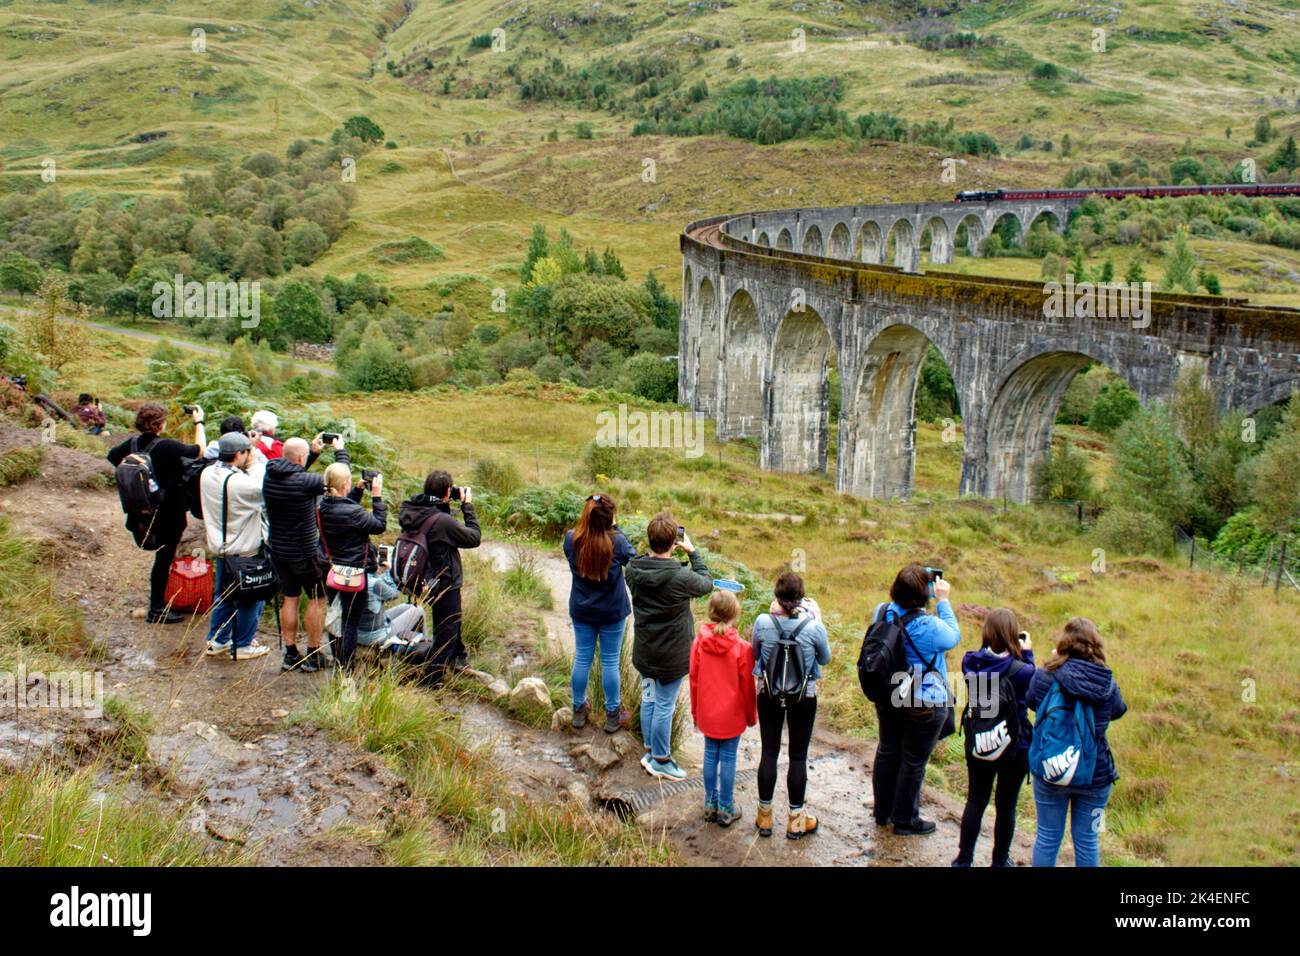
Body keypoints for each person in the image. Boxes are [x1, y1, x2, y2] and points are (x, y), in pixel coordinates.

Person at [1027, 617, 1127, 867]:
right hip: (1095, 775)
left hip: (1051, 768)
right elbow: (1119, 710)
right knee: (1088, 840)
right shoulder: (1106, 680)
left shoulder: (1045, 675)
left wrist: (1053, 663)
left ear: (1063, 643)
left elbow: (1031, 702)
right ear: (1094, 644)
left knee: (1047, 838)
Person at [870, 564, 961, 836]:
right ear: (925, 595)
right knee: (913, 761)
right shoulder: (931, 627)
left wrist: (917, 578)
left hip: (891, 693)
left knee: (887, 751)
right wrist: (943, 600)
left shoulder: (882, 611)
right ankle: (906, 820)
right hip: (924, 700)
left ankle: (883, 811)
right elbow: (954, 635)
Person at [625, 512, 712, 781]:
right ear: (674, 542)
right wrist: (693, 553)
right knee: (665, 705)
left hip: (645, 652)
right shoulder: (679, 577)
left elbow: (645, 562)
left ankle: (650, 751)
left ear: (649, 540)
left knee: (649, 699)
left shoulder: (633, 569)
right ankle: (661, 760)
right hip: (671, 656)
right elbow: (706, 583)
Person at [751, 571, 832, 839]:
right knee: (798, 756)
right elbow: (825, 659)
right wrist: (816, 619)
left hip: (769, 694)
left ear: (776, 596)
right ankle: (796, 821)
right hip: (803, 697)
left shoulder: (763, 621)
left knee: (769, 753)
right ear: (801, 599)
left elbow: (754, 653)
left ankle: (764, 818)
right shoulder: (813, 626)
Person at [107, 403, 206, 623]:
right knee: (163, 559)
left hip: (140, 511)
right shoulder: (168, 446)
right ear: (161, 423)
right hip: (168, 512)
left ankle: (157, 605)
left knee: (160, 557)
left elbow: (112, 457)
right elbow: (199, 451)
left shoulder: (131, 444)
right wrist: (199, 422)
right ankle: (157, 609)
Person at [953, 608, 1036, 866]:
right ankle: (1000, 861)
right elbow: (1032, 693)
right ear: (1013, 635)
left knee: (976, 799)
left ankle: (964, 859)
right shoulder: (1023, 669)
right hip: (1014, 744)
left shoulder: (970, 662)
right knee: (1006, 805)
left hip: (980, 741)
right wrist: (1028, 652)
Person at [263, 433, 346, 672]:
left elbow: (294, 473)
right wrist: (339, 451)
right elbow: (338, 479)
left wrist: (314, 454)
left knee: (290, 598)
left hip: (278, 550)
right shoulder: (305, 482)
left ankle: (290, 654)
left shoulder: (270, 475)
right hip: (305, 552)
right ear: (301, 458)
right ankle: (313, 652)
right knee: (318, 600)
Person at [395, 470, 482, 681]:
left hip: (425, 579)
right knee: (446, 633)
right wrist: (467, 506)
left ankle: (458, 656)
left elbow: (434, 526)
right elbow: (474, 537)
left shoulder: (412, 511)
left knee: (449, 621)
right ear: (446, 492)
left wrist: (443, 503)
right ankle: (431, 680)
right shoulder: (442, 521)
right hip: (444, 581)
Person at [562, 493, 634, 733]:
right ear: (611, 518)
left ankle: (578, 710)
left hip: (582, 609)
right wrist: (616, 527)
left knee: (582, 658)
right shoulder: (619, 542)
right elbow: (631, 558)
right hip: (612, 611)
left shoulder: (571, 539)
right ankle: (612, 714)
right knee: (610, 661)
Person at [199, 432, 270, 660]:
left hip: (221, 548)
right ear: (240, 454)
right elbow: (262, 489)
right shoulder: (240, 483)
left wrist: (249, 451)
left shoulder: (207, 473)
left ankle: (218, 640)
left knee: (224, 596)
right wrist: (256, 460)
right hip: (244, 550)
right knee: (251, 598)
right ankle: (243, 644)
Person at [690, 589, 757, 827]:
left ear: (710, 612)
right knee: (728, 758)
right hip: (733, 714)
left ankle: (710, 804)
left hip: (707, 711)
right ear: (734, 615)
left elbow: (694, 679)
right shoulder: (742, 648)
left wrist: (695, 711)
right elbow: (748, 686)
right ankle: (726, 807)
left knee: (710, 755)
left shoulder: (698, 642)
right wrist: (751, 715)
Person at [317, 462, 386, 671]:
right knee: (349, 623)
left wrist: (357, 490)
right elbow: (378, 524)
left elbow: (343, 509)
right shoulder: (353, 512)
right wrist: (376, 496)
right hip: (355, 573)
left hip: (331, 571)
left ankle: (337, 659)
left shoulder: (321, 506)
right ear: (344, 485)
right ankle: (345, 668)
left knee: (336, 615)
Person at [354, 562, 424, 651]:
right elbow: (395, 594)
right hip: (376, 636)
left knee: (408, 607)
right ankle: (420, 647)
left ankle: (415, 642)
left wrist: (381, 574)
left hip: (359, 630)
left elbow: (377, 582)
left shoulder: (355, 579)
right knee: (419, 610)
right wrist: (388, 571)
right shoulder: (374, 583)